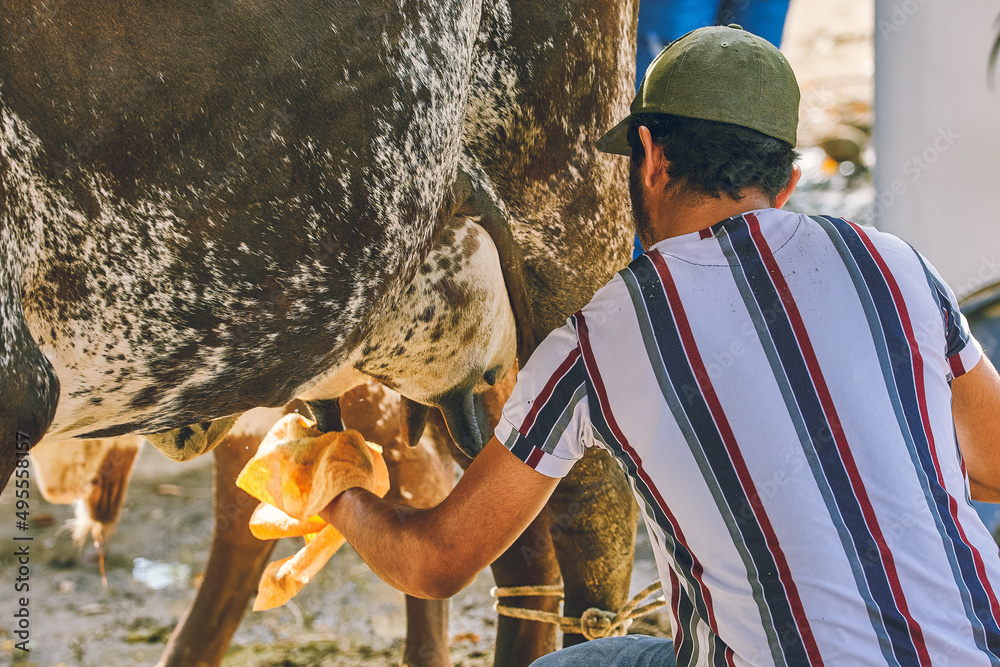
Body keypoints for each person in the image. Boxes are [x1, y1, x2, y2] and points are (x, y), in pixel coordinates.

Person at [320, 25, 1000, 665]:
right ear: (787, 185)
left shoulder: (603, 333)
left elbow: (438, 561)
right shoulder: (891, 262)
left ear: (649, 158)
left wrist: (336, 492)